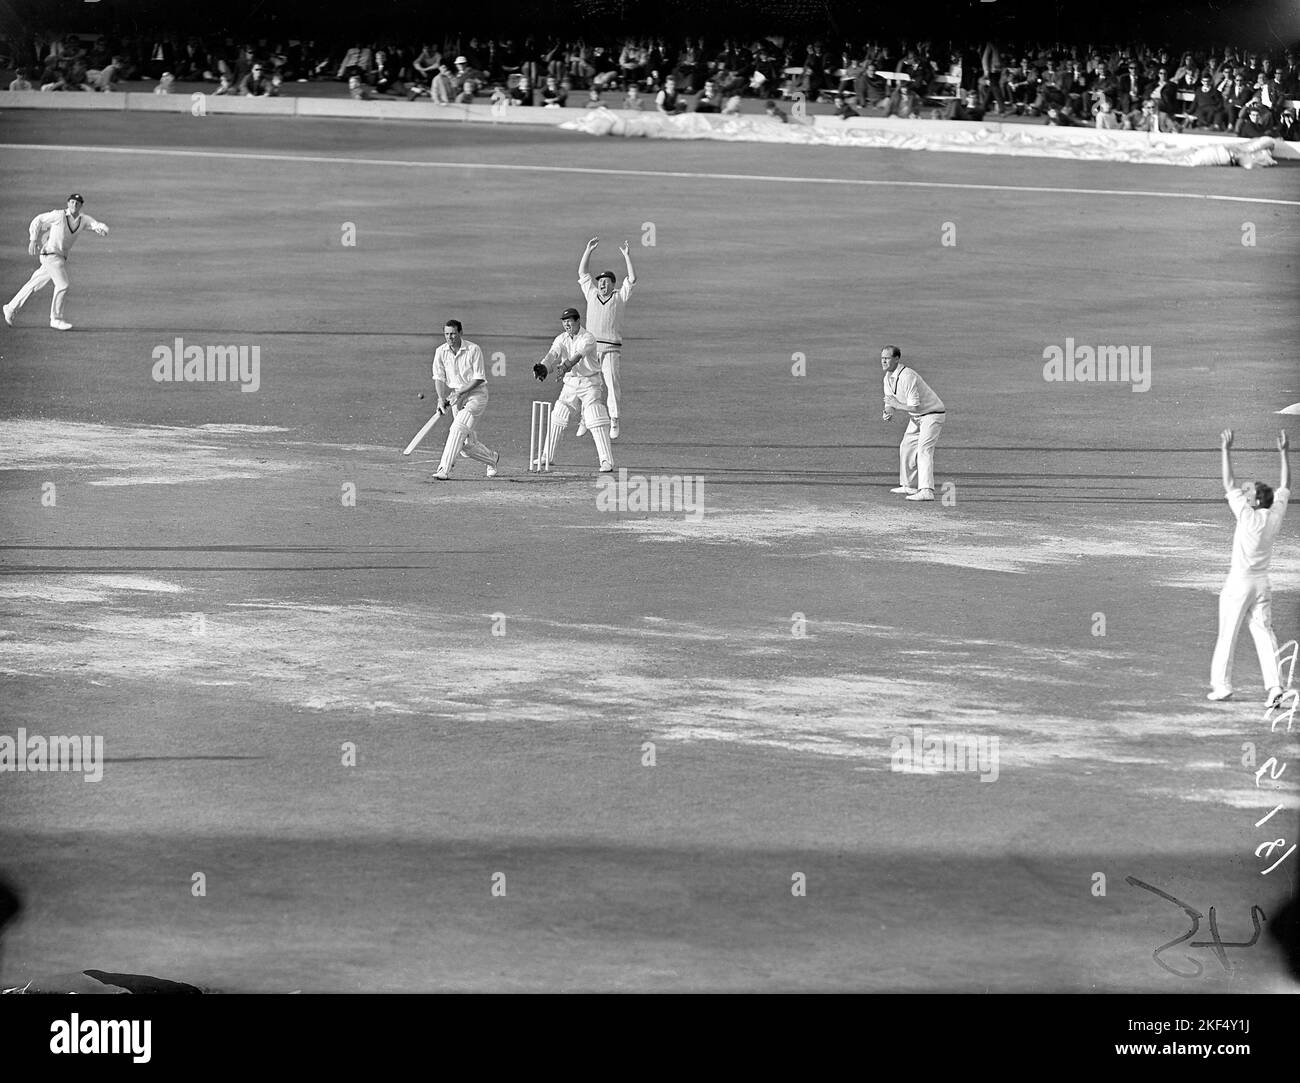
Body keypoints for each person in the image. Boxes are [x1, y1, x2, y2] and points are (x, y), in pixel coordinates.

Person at [1208, 430, 1289, 708]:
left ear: (1255, 501)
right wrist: (1283, 453)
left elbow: (1228, 481)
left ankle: (1222, 686)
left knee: (1227, 633)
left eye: (1249, 491)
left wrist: (1225, 449)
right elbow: (1285, 485)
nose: (1244, 490)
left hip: (1239, 584)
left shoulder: (1246, 514)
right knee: (1265, 634)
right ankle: (1276, 686)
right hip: (1262, 584)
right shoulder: (1274, 514)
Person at [3, 193, 109, 331]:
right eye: (71, 202)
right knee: (63, 284)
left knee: (34, 283)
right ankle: (56, 319)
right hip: (50, 255)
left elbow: (95, 225)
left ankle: (10, 308)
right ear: (67, 203)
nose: (74, 205)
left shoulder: (83, 219)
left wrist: (102, 229)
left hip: (60, 257)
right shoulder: (59, 215)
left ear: (81, 205)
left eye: (77, 203)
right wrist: (33, 239)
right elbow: (38, 219)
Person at [532, 307, 614, 472]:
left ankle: (606, 461)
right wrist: (544, 367)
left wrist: (565, 367)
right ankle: (547, 456)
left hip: (590, 383)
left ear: (578, 321)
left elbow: (577, 356)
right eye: (564, 321)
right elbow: (552, 354)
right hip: (571, 383)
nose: (567, 324)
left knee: (594, 418)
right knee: (558, 414)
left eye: (570, 321)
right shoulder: (561, 338)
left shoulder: (588, 338)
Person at [575, 236, 635, 441]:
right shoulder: (591, 295)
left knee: (611, 384)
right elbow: (583, 273)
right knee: (588, 384)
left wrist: (627, 256)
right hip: (591, 350)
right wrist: (588, 250)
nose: (601, 284)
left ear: (612, 284)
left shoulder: (619, 297)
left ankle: (615, 419)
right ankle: (584, 418)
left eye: (605, 281)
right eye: (600, 281)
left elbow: (632, 279)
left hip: (611, 350)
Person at [428, 320, 499, 481]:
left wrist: (459, 392)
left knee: (457, 429)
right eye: (446, 334)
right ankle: (492, 459)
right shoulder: (440, 351)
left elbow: (479, 378)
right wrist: (440, 399)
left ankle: (443, 469)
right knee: (465, 447)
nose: (450, 337)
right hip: (456, 398)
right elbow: (439, 377)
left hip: (476, 396)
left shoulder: (473, 349)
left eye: (453, 333)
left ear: (460, 333)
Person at [880, 345, 946, 501]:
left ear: (897, 359)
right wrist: (888, 412)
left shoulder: (907, 376)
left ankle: (926, 491)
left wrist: (897, 406)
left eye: (887, 358)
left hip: (932, 415)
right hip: (917, 417)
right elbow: (889, 401)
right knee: (906, 446)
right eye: (882, 358)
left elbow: (914, 406)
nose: (883, 361)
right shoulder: (887, 378)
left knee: (924, 450)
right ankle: (908, 485)